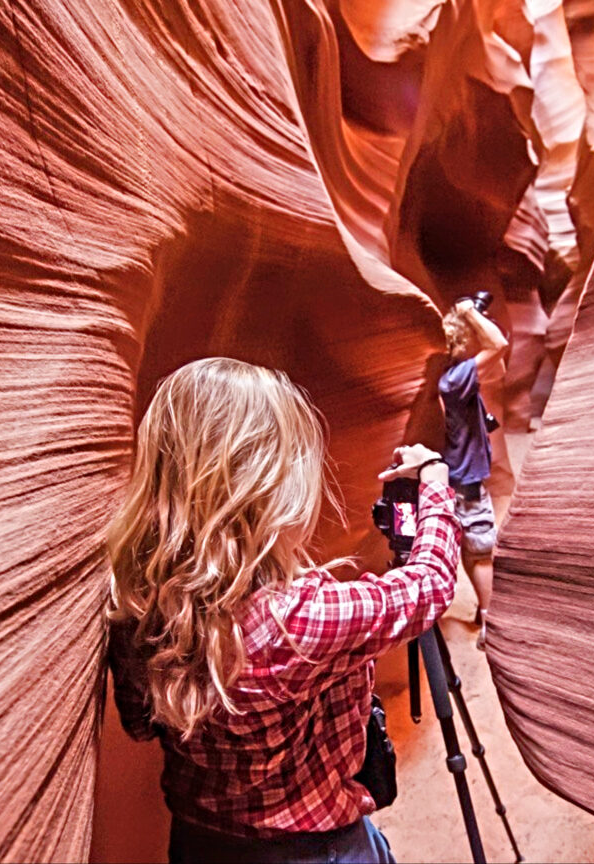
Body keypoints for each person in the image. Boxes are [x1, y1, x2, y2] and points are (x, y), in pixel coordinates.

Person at [105, 357, 461, 864]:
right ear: (270, 484)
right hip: (317, 850)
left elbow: (141, 724)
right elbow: (429, 586)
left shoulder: (137, 599)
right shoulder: (298, 621)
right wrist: (434, 481)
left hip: (199, 843)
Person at [438, 298, 509, 649]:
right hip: (465, 480)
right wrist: (469, 312)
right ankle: (491, 624)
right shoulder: (456, 379)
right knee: (481, 550)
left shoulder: (450, 379)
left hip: (458, 475)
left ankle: (482, 611)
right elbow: (499, 344)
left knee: (470, 547)